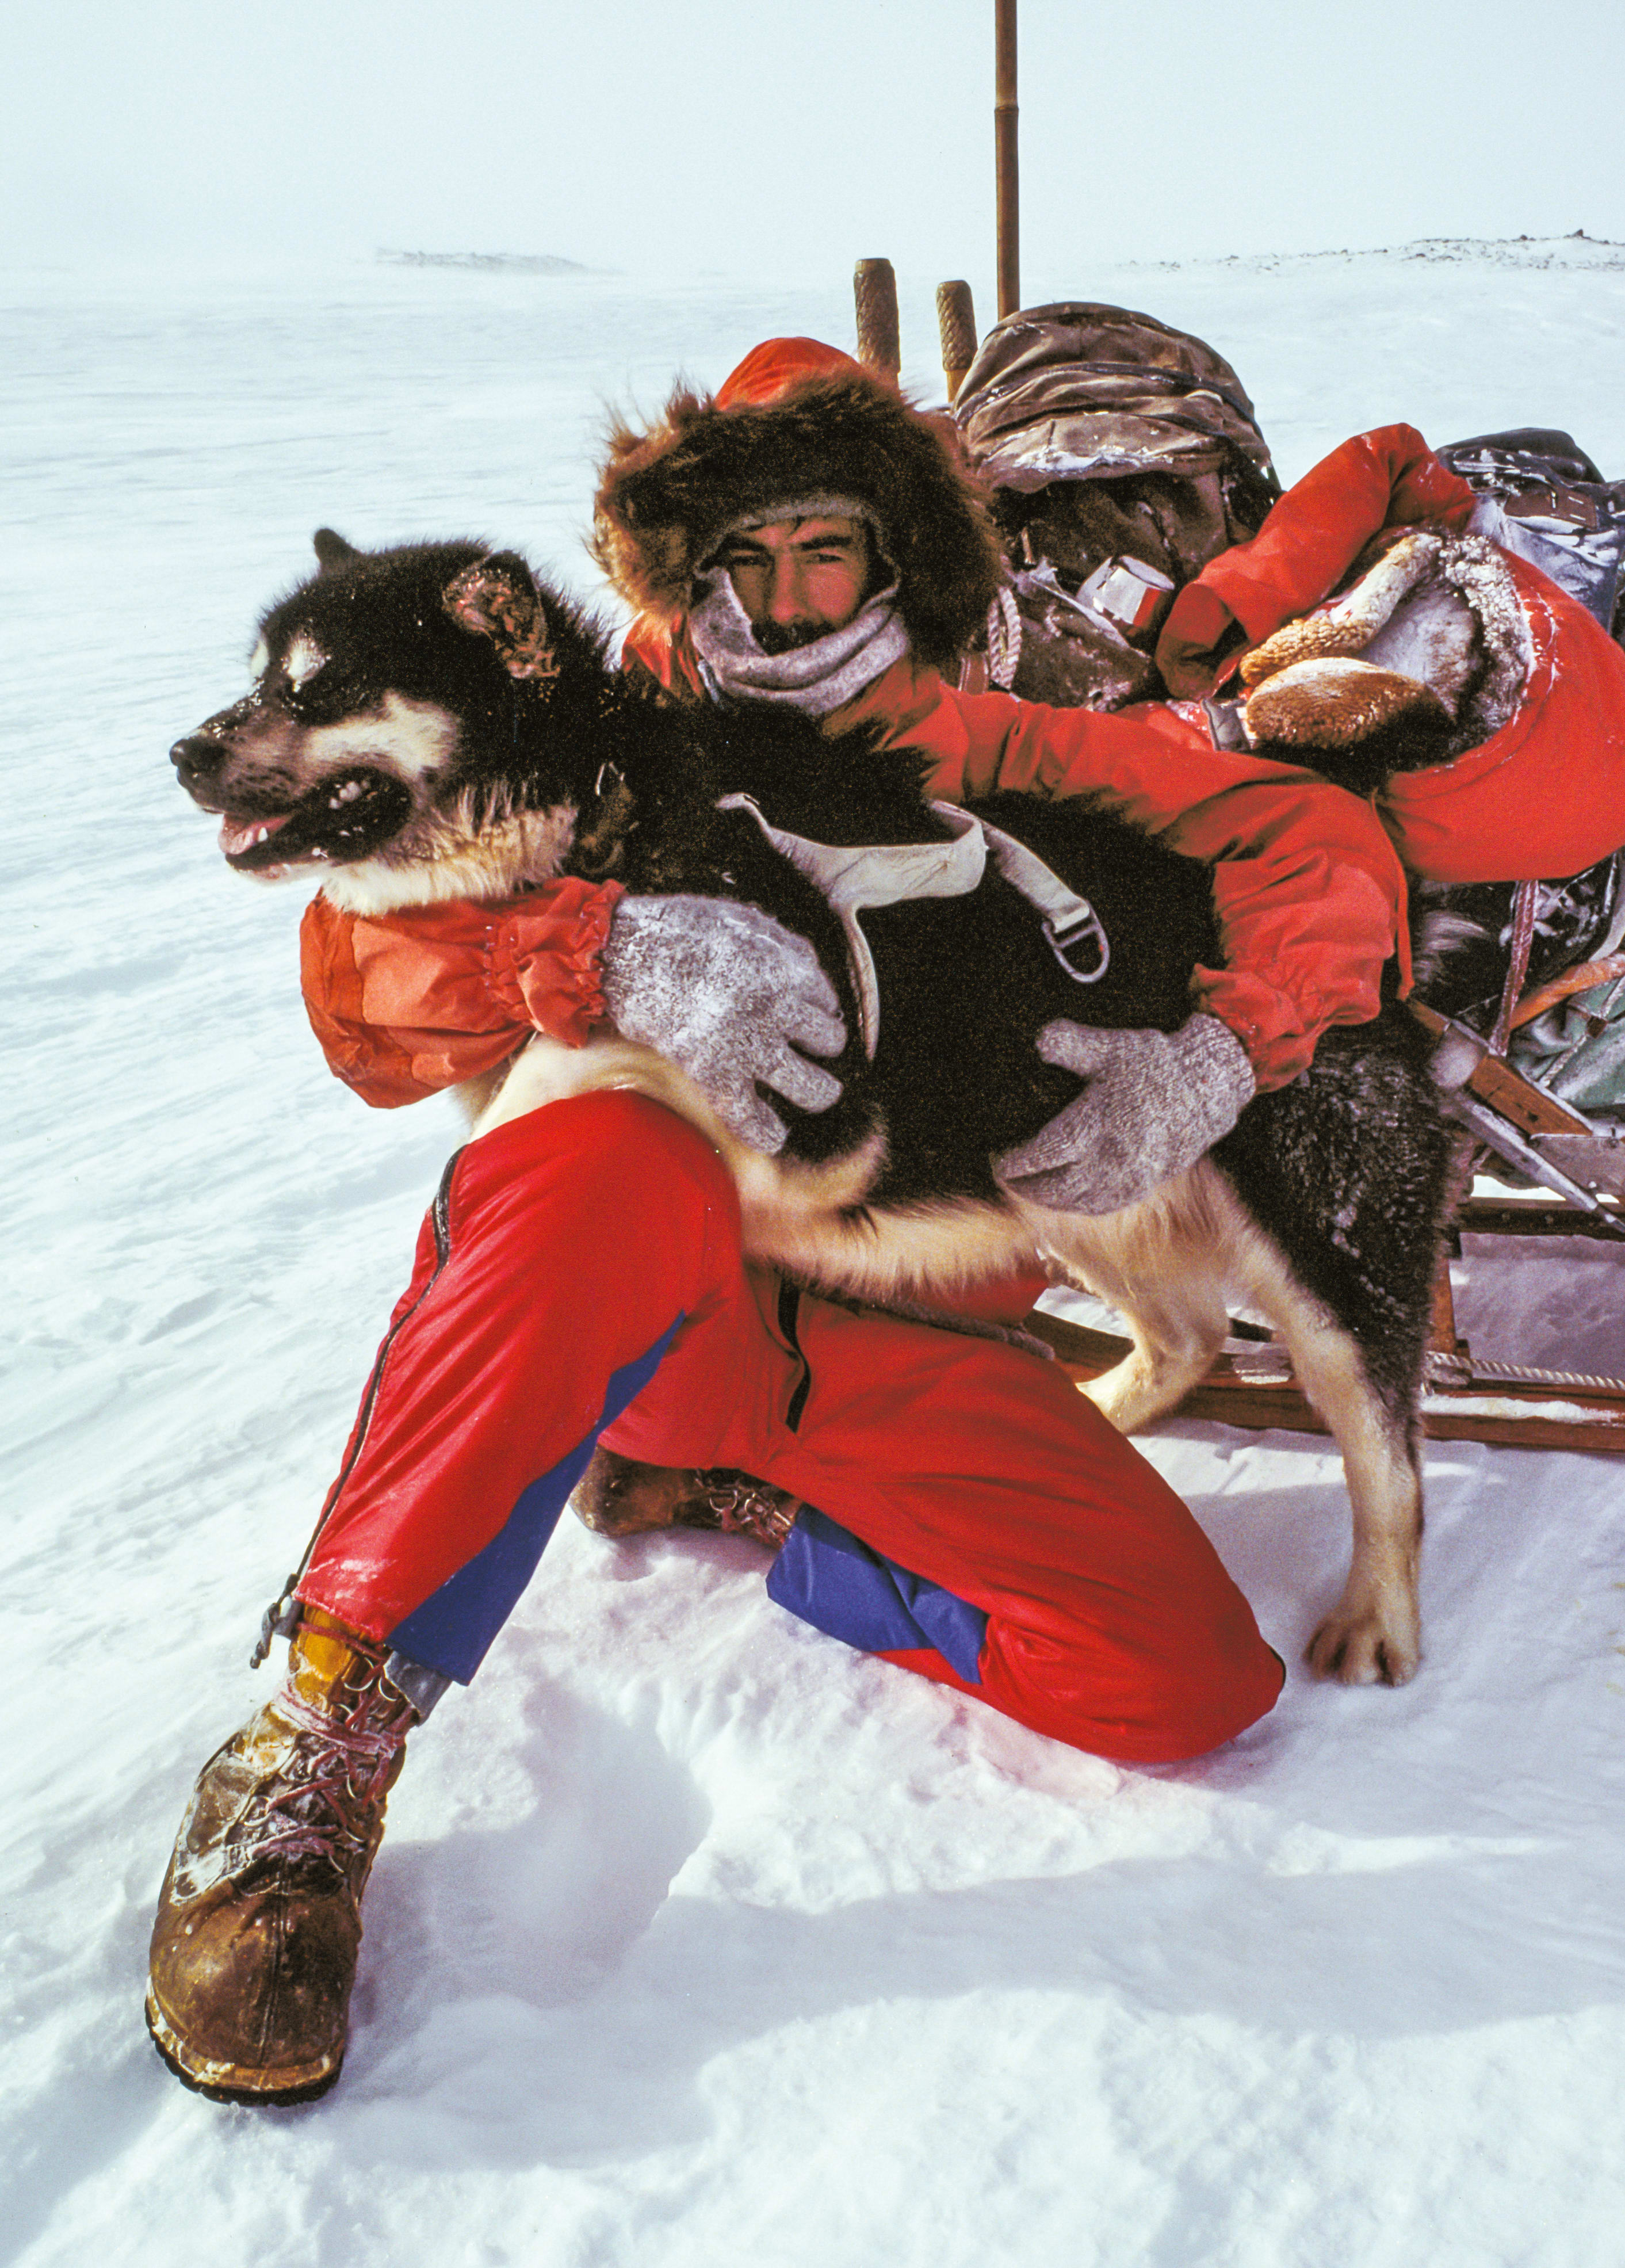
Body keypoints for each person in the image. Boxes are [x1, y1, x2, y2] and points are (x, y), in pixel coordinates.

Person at [147, 338, 1426, 2107]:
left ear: (902, 556)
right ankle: (315, 1743)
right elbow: (379, 1005)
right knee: (605, 1148)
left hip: (901, 1339)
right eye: (735, 555)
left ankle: (777, 1519)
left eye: (820, 545)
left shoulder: (1015, 750)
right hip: (658, 1306)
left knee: (1187, 1689)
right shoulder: (602, 755)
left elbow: (1319, 851)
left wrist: (1222, 1047)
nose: (779, 591)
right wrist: (585, 953)